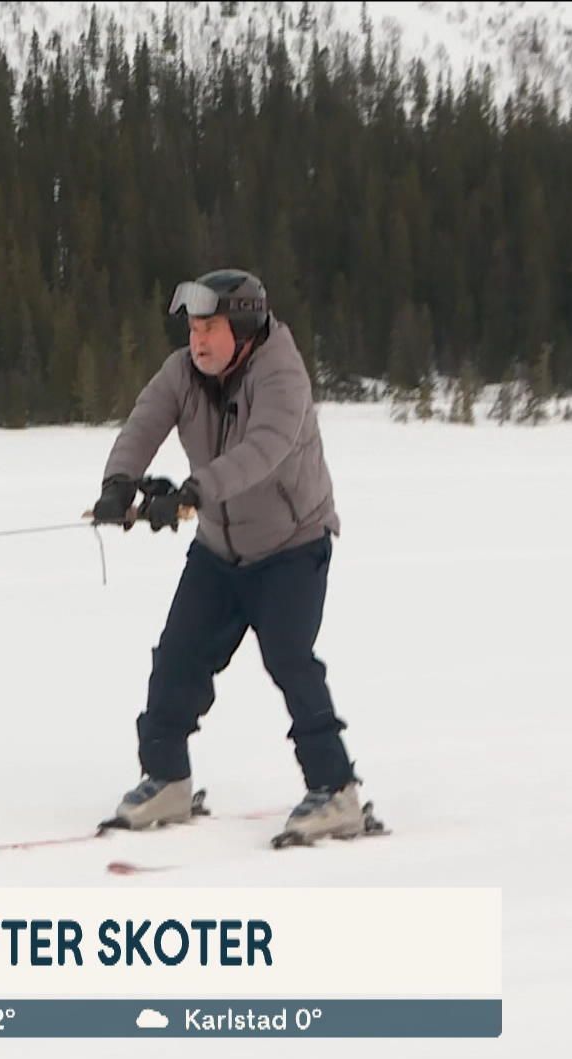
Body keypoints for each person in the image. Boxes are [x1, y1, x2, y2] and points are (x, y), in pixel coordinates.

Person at [90, 268, 371, 845]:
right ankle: (166, 778)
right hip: (219, 550)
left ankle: (337, 793)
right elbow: (143, 425)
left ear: (243, 328)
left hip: (293, 547)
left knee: (290, 660)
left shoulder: (282, 375)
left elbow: (263, 450)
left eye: (211, 328)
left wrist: (192, 492)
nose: (197, 341)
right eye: (193, 328)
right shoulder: (182, 373)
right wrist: (119, 484)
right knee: (177, 659)